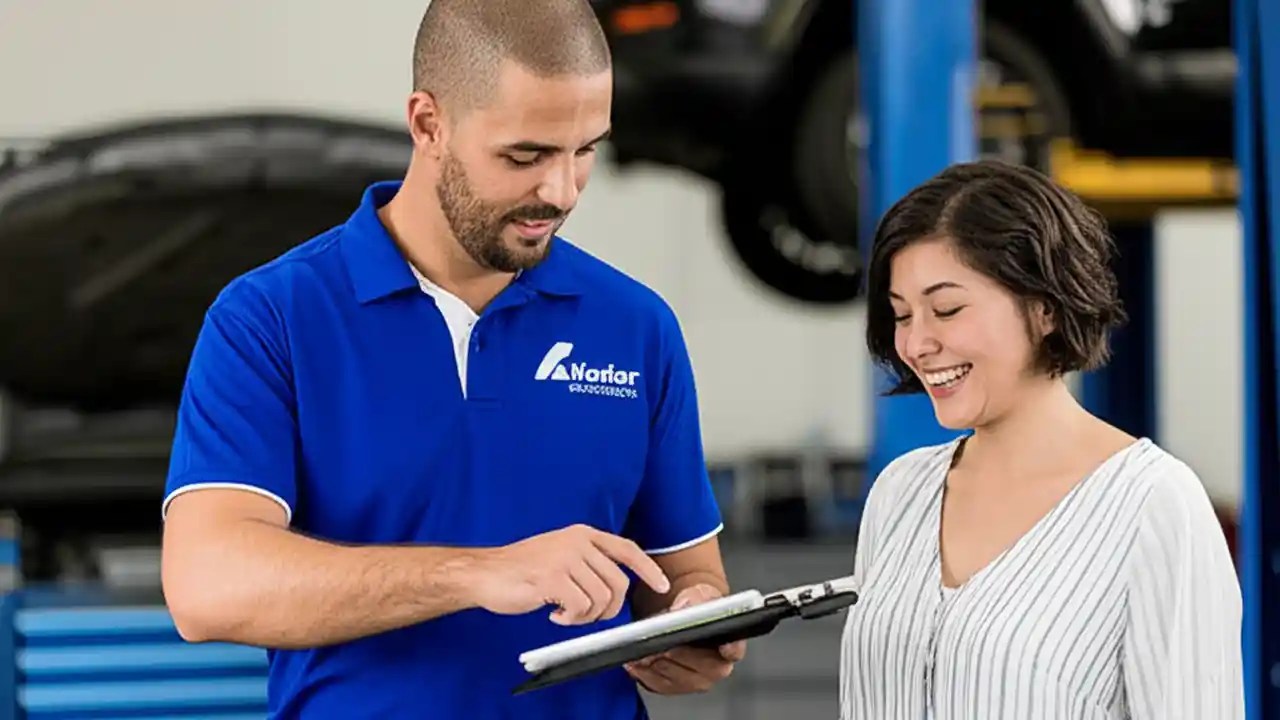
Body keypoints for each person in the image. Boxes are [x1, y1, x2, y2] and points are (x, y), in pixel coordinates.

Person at [159, 1, 744, 717]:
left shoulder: (637, 327)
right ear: (428, 124)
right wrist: (478, 574)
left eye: (586, 149)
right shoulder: (272, 319)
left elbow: (685, 575)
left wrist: (696, 620)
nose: (560, 192)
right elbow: (207, 587)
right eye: (525, 155)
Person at [839, 159, 1244, 719]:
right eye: (902, 315)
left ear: (1045, 307)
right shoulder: (900, 495)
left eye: (947, 309)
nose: (916, 343)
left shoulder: (1153, 504)